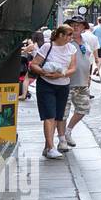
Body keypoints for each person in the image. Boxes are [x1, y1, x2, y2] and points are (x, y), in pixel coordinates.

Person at [30, 26, 77, 159]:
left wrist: (61, 74)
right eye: (69, 34)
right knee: (49, 116)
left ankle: (47, 147)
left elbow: (73, 68)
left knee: (57, 116)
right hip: (46, 84)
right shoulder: (47, 46)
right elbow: (34, 64)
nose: (71, 37)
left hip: (63, 85)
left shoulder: (71, 49)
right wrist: (43, 72)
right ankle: (51, 147)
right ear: (60, 35)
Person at [61, 17, 98, 148]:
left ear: (83, 28)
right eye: (73, 25)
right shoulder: (66, 42)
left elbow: (88, 58)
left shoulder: (85, 42)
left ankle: (68, 131)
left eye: (79, 25)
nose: (76, 27)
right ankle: (62, 140)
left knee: (83, 109)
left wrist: (88, 78)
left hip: (82, 82)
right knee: (63, 113)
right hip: (67, 82)